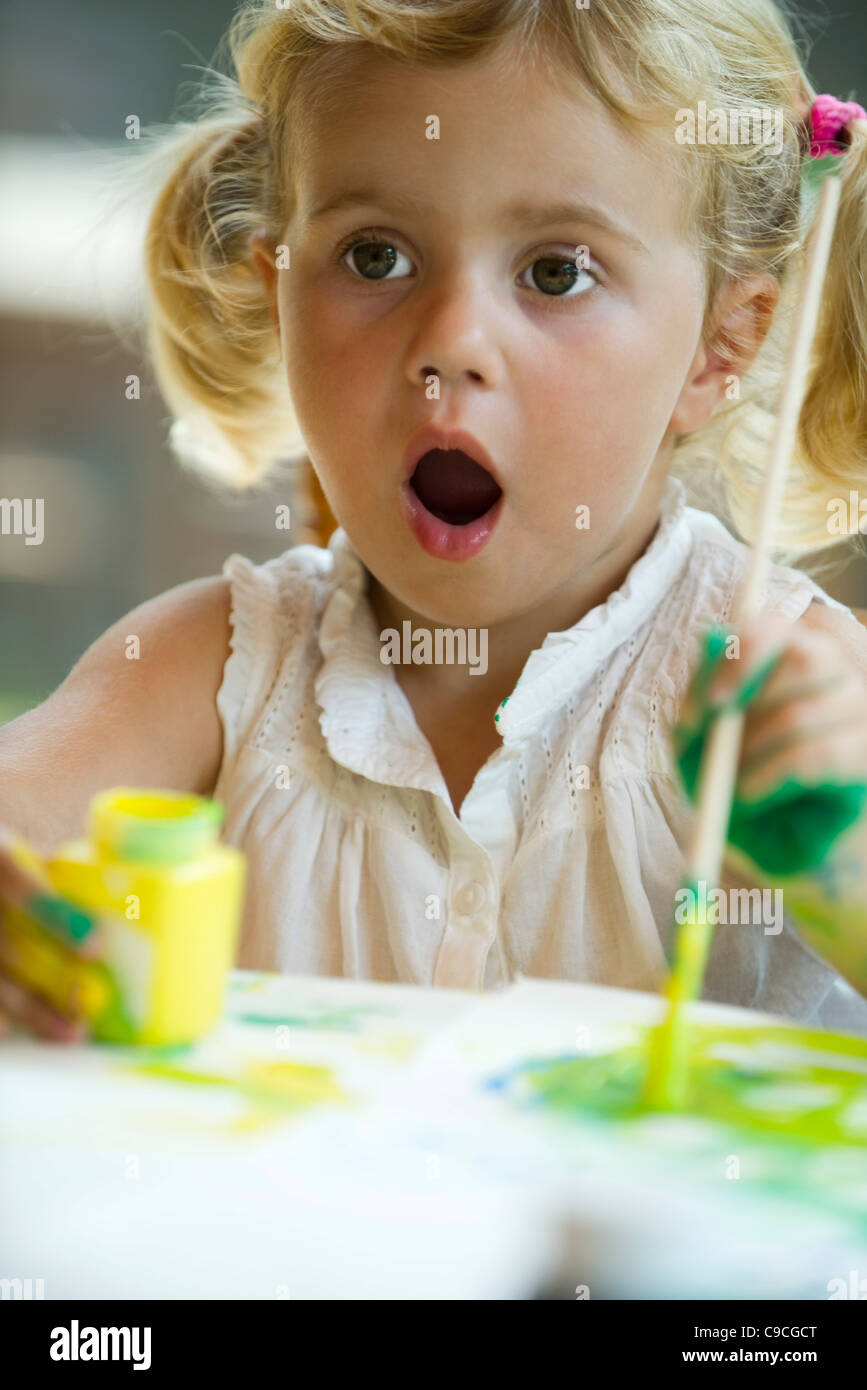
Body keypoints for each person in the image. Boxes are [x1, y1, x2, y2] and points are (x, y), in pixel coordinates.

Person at [3, 0, 867, 1041]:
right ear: (279, 287)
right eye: (376, 257)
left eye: (557, 272)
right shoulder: (209, 674)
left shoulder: (793, 690)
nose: (450, 341)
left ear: (718, 347)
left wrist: (838, 866)